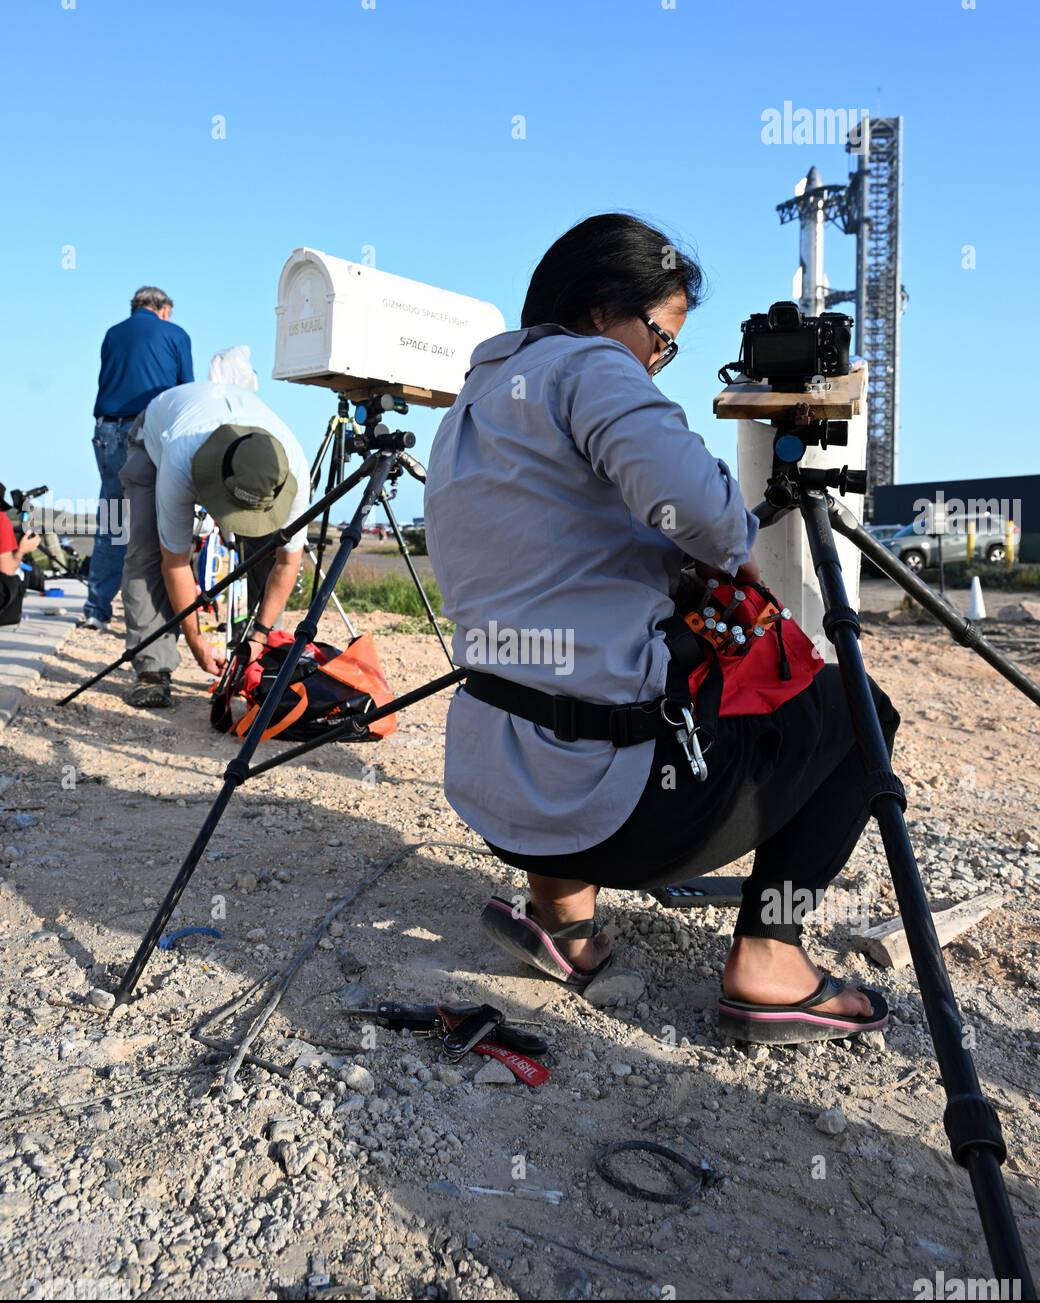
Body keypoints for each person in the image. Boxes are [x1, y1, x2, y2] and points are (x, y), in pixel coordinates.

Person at [424, 213, 900, 1045]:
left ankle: (562, 921)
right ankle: (769, 964)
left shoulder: (477, 400)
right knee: (860, 712)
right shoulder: (594, 367)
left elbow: (556, 559)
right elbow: (710, 515)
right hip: (624, 813)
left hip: (496, 790)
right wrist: (724, 539)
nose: (656, 361)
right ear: (607, 309)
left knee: (557, 669)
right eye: (663, 337)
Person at [119, 365, 310, 709]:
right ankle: (152, 669)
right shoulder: (179, 460)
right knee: (146, 548)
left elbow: (287, 562)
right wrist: (196, 639)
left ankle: (255, 659)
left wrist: (260, 635)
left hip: (225, 444)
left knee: (268, 547)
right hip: (155, 436)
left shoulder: (293, 470)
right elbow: (174, 562)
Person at [80, 286, 193, 633]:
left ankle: (96, 611)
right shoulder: (175, 334)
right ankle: (157, 616)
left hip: (108, 432)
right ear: (161, 308)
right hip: (148, 433)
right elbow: (185, 390)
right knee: (158, 521)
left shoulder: (113, 334)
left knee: (113, 519)